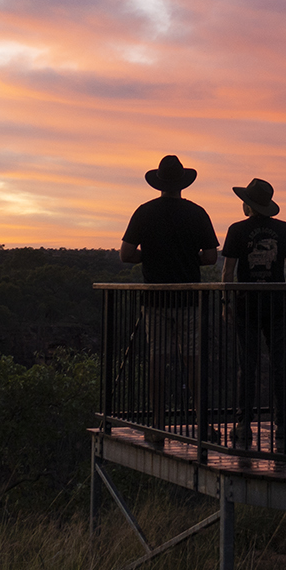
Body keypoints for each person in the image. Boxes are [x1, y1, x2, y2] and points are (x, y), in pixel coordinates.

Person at [121, 155, 219, 445]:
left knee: (157, 360)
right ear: (182, 184)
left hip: (155, 299)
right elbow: (212, 257)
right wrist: (189, 259)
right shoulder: (197, 213)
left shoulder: (144, 212)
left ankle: (157, 425)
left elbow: (126, 255)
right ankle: (203, 425)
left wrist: (149, 257)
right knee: (193, 362)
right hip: (189, 298)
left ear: (159, 184)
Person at [220, 178, 286, 451]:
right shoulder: (284, 229)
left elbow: (228, 272)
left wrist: (225, 302)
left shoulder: (237, 230)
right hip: (275, 307)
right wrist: (281, 291)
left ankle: (243, 425)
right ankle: (283, 424)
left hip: (246, 306)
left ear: (248, 205)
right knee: (280, 364)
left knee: (247, 365)